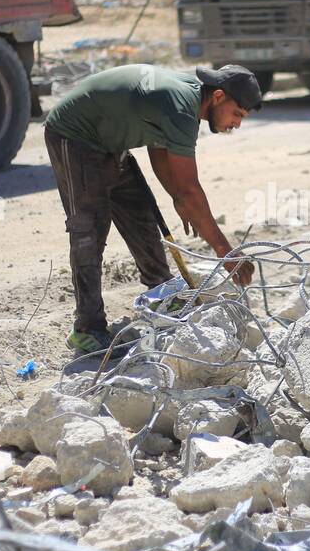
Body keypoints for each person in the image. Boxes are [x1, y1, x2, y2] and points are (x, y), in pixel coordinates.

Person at [43, 63, 260, 354]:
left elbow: (160, 154)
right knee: (89, 230)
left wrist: (178, 199)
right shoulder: (182, 105)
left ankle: (163, 297)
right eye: (237, 114)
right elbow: (190, 188)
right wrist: (226, 252)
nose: (237, 124)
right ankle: (87, 328)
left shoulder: (189, 101)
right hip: (76, 134)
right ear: (218, 97)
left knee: (142, 216)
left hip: (109, 141)